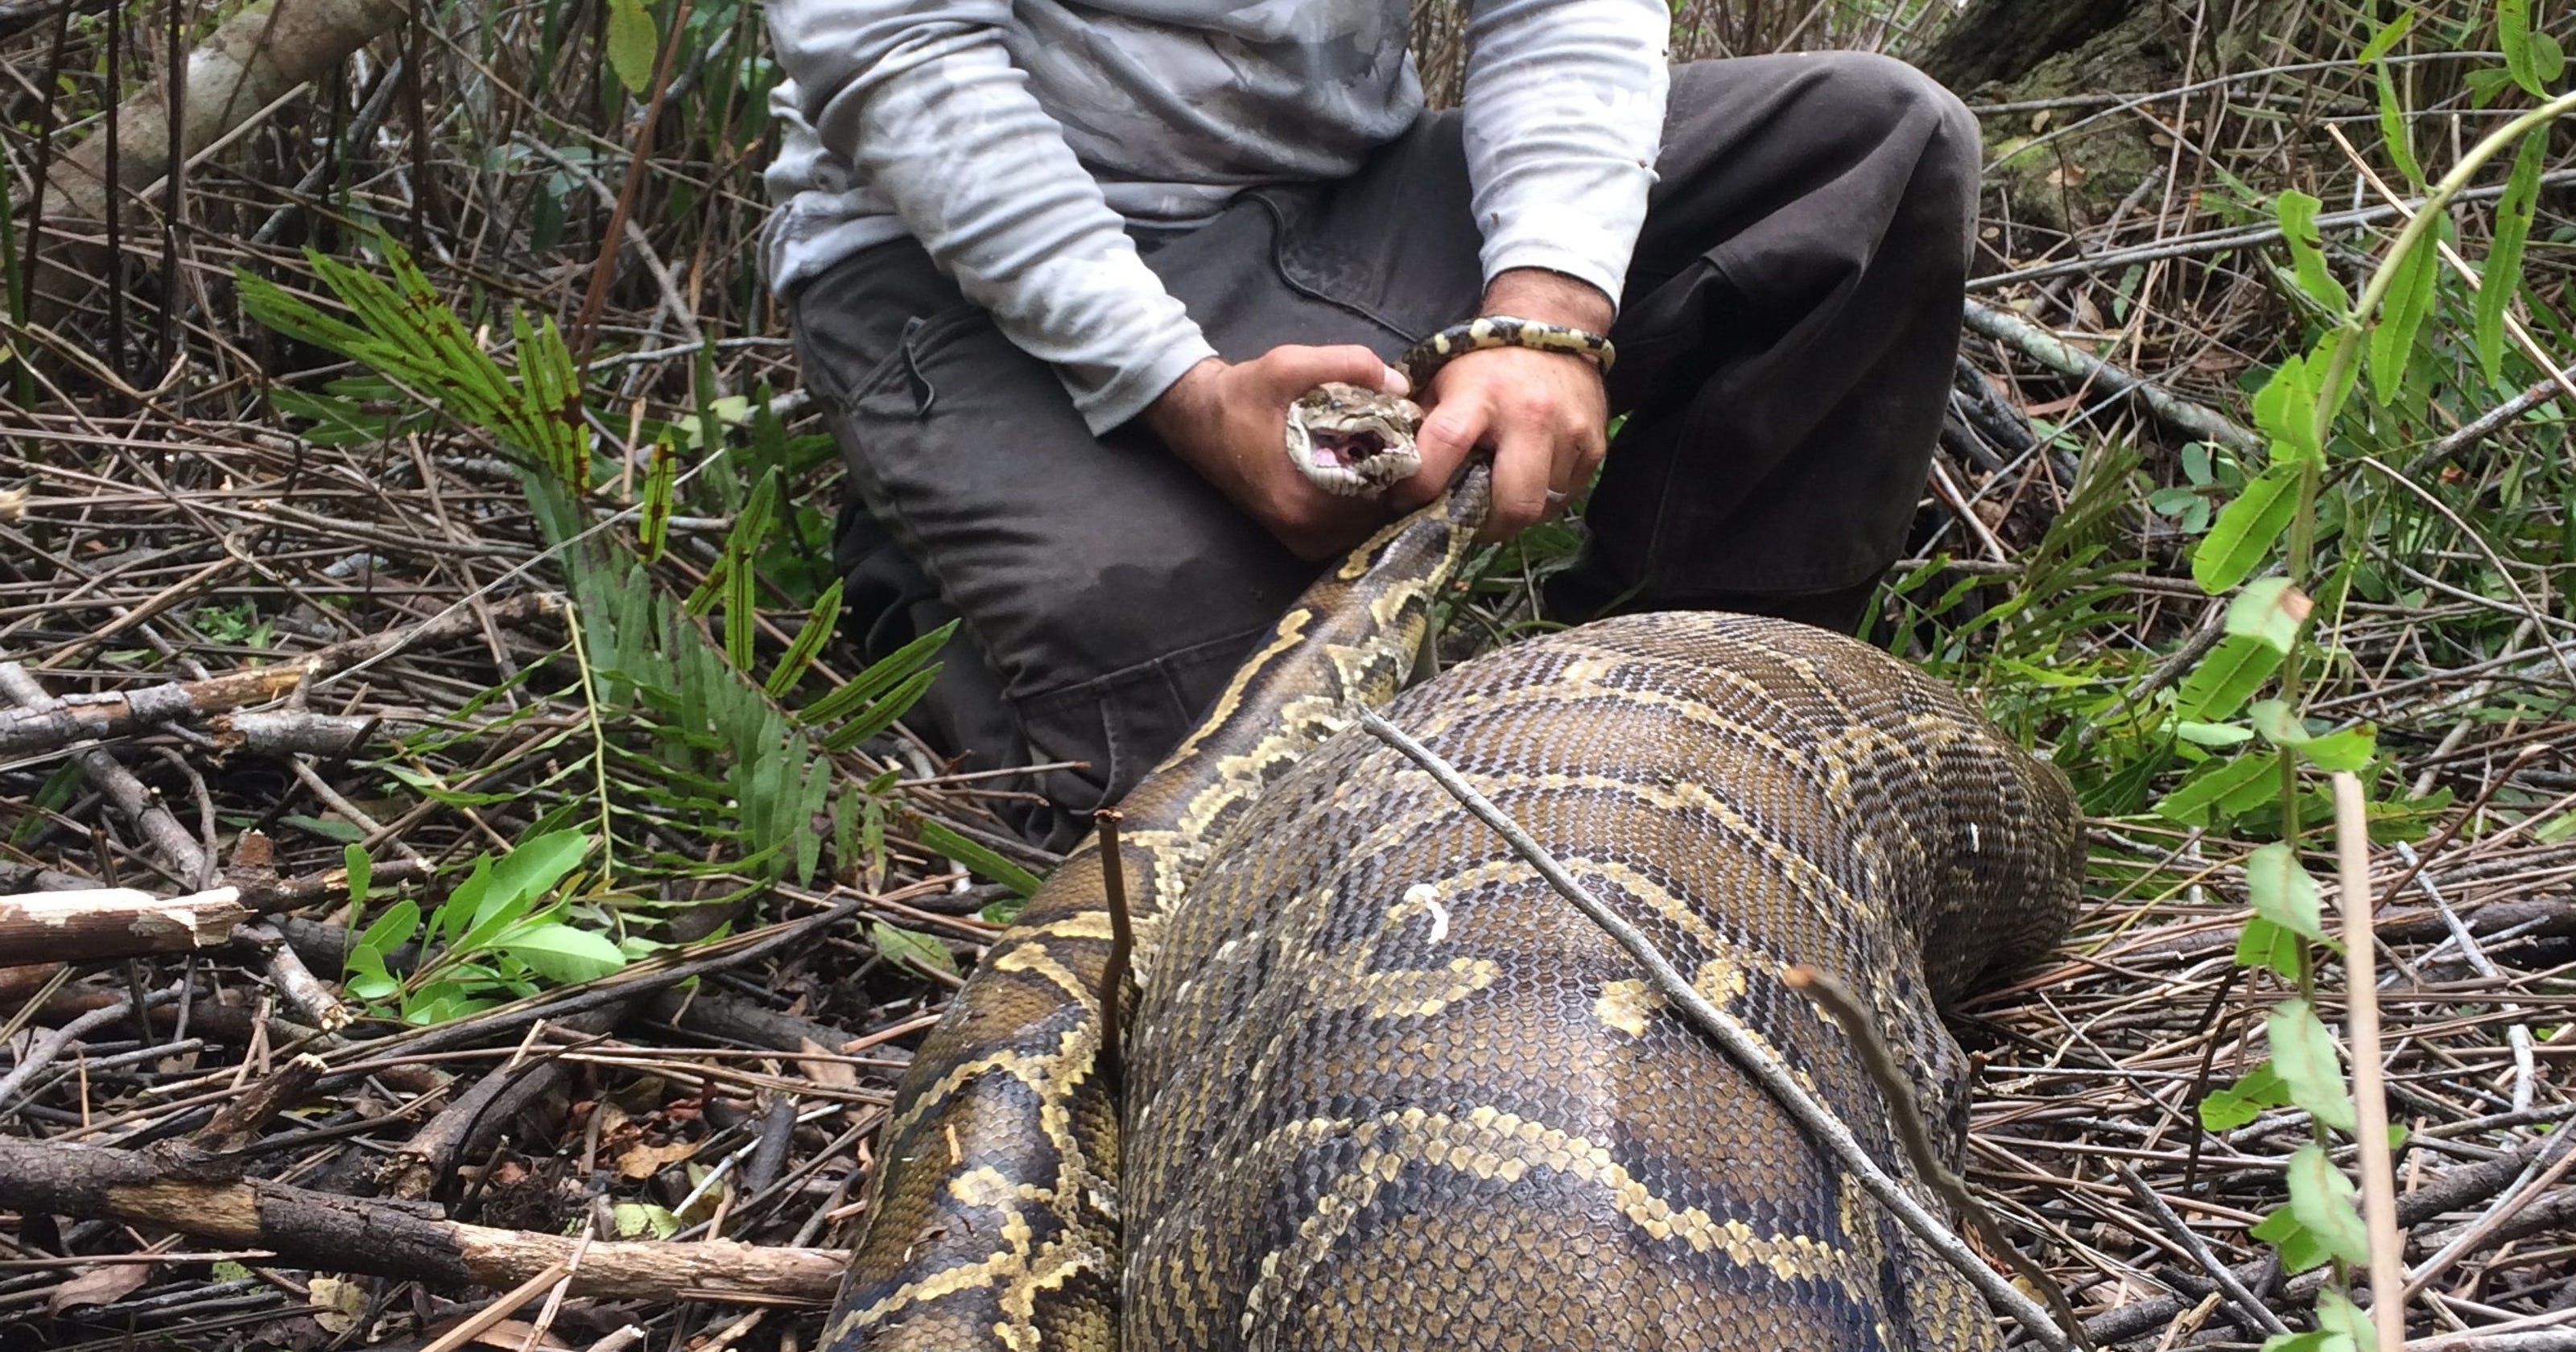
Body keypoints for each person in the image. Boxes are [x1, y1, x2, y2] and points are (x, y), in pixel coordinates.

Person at [765, 2, 1979, 847]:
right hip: (967, 264)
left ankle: (1715, 723)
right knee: (1245, 779)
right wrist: (1178, 395)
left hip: (1348, 196)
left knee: (1881, 143)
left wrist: (1546, 314)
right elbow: (897, 52)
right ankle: (934, 569)